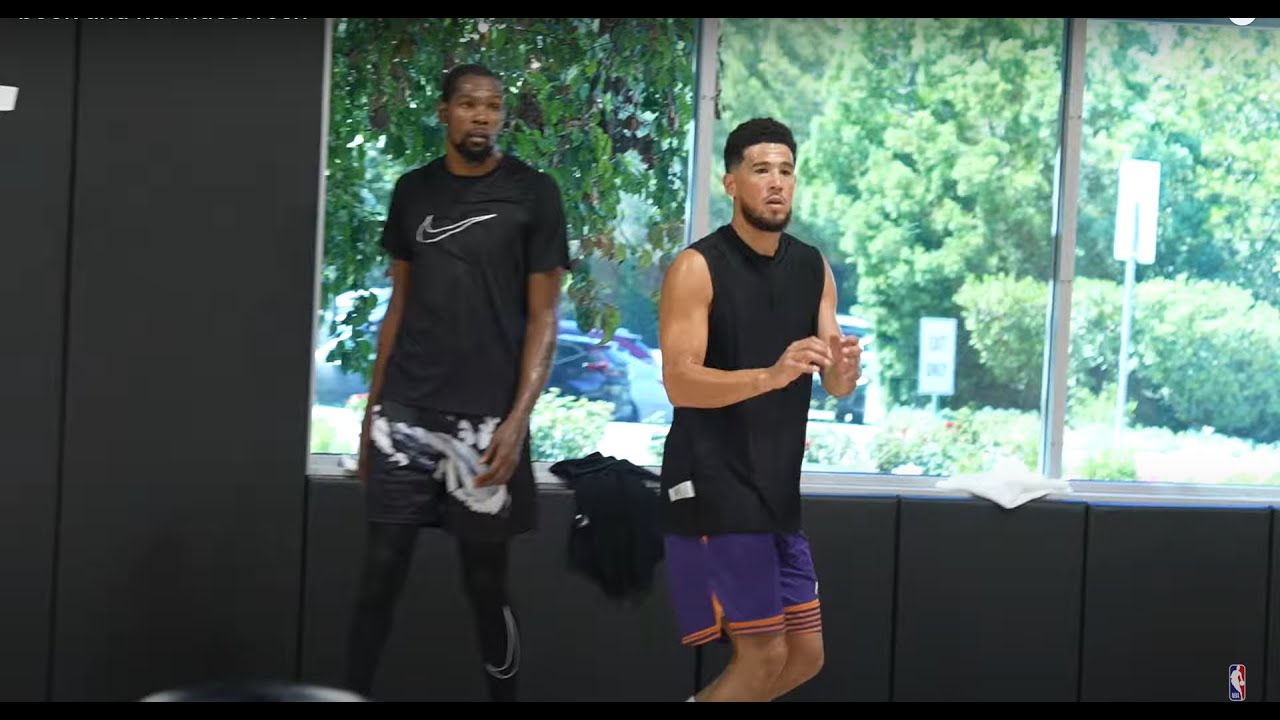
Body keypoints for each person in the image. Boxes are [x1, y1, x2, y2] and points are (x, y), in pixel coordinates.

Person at [344, 63, 569, 702]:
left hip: (484, 423)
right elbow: (397, 310)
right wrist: (370, 419)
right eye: (469, 104)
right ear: (443, 113)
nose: (482, 116)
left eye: (494, 106)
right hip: (405, 414)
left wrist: (517, 421)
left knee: (485, 586)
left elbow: (545, 319)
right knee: (379, 576)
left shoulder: (534, 193)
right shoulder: (412, 192)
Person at [656, 118, 862, 702]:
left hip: (776, 492)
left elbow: (835, 378)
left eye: (786, 171)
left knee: (804, 655)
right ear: (731, 183)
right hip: (711, 484)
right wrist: (769, 377)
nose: (776, 183)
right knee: (763, 651)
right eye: (761, 170)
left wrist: (842, 372)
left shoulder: (811, 266)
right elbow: (679, 381)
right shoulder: (696, 267)